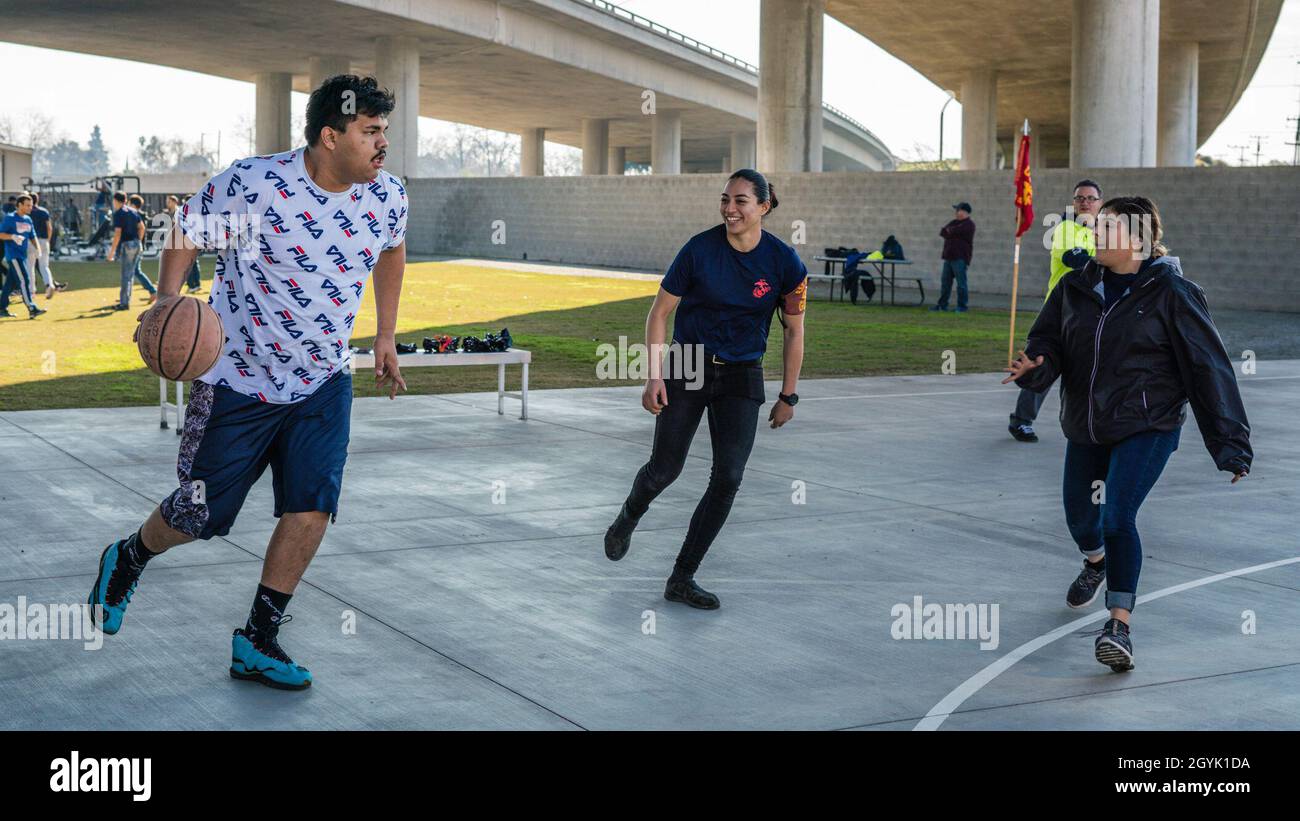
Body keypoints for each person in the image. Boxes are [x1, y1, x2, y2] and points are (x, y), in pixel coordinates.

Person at [88, 74, 409, 691]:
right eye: (371, 132)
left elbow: (392, 249)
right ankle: (128, 556)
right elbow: (186, 230)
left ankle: (258, 641)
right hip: (238, 379)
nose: (381, 144)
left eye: (383, 132)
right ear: (329, 135)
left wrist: (387, 334)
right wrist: (165, 303)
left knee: (312, 508)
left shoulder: (387, 195)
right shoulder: (256, 184)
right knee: (197, 515)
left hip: (322, 381)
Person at [1003, 195, 1251, 673]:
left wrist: (1230, 443)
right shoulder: (1075, 287)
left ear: (1138, 240)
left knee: (1118, 515)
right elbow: (1048, 342)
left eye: (1107, 227)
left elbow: (1209, 369)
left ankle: (1118, 625)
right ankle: (1095, 562)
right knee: (1082, 518)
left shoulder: (1174, 293)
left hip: (1148, 424)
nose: (1095, 232)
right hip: (1086, 423)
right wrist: (1036, 367)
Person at [603, 168, 807, 610]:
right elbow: (659, 314)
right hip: (689, 365)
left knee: (728, 478)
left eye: (740, 202)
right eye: (725, 200)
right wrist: (654, 375)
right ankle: (628, 516)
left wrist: (788, 395)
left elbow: (794, 330)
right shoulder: (699, 249)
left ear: (764, 207)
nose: (729, 209)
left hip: (742, 373)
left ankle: (682, 577)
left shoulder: (785, 263)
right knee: (665, 470)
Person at [1009, 180, 1102, 442]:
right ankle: (1022, 420)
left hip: (1094, 311)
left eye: (1090, 198)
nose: (1085, 202)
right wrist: (1108, 260)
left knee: (1091, 367)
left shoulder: (1104, 231)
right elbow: (1075, 260)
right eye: (1079, 198)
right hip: (1062, 309)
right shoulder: (1064, 228)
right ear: (1074, 202)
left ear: (1100, 203)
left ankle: (1089, 422)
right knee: (1045, 362)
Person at [0, 194, 47, 318]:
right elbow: (1, 234)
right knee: (24, 280)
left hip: (23, 255)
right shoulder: (10, 218)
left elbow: (33, 236)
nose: (30, 208)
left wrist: (38, 249)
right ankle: (32, 308)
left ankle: (1, 308)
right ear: (19, 205)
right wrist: (12, 237)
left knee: (9, 284)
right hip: (13, 256)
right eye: (27, 205)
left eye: (31, 205)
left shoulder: (28, 219)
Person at [106, 192, 149, 309]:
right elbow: (142, 227)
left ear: (116, 200)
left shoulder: (118, 214)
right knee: (130, 274)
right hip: (137, 244)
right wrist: (138, 241)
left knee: (126, 275)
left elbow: (118, 234)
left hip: (127, 245)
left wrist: (112, 252)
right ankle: (125, 300)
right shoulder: (133, 211)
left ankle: (124, 303)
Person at [931, 201, 975, 313]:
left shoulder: (969, 224)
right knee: (945, 282)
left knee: (961, 284)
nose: (956, 212)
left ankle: (962, 306)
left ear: (964, 212)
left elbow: (954, 231)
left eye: (958, 210)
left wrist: (951, 231)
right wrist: (950, 232)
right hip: (948, 256)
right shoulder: (954, 222)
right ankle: (942, 305)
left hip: (960, 257)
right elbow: (943, 232)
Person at [28, 192, 67, 299]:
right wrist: (48, 240)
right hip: (44, 240)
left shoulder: (27, 212)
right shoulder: (44, 211)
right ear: (38, 200)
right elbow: (49, 228)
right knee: (44, 266)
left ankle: (31, 291)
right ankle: (50, 285)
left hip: (31, 241)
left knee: (30, 267)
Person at [128, 194, 158, 300]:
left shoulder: (135, 215)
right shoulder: (140, 215)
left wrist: (136, 244)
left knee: (135, 271)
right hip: (139, 246)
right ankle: (127, 295)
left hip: (136, 246)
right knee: (132, 271)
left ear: (132, 204)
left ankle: (153, 291)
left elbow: (141, 229)